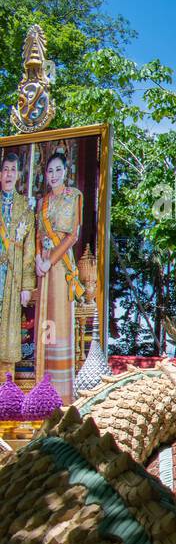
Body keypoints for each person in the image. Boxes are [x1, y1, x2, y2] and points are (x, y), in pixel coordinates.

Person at [34, 151, 84, 403]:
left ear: (66, 171)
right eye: (49, 171)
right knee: (45, 326)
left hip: (61, 268)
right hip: (43, 269)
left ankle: (62, 395)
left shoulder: (74, 196)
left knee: (59, 323)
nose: (53, 175)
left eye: (58, 170)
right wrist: (37, 261)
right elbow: (36, 234)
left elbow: (72, 235)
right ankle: (43, 388)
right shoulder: (42, 202)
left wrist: (50, 260)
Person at [0, 152, 37, 374]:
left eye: (13, 170)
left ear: (19, 175)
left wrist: (26, 285)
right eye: (5, 169)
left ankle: (5, 386)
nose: (9, 174)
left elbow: (30, 248)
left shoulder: (25, 206)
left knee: (9, 329)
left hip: (12, 275)